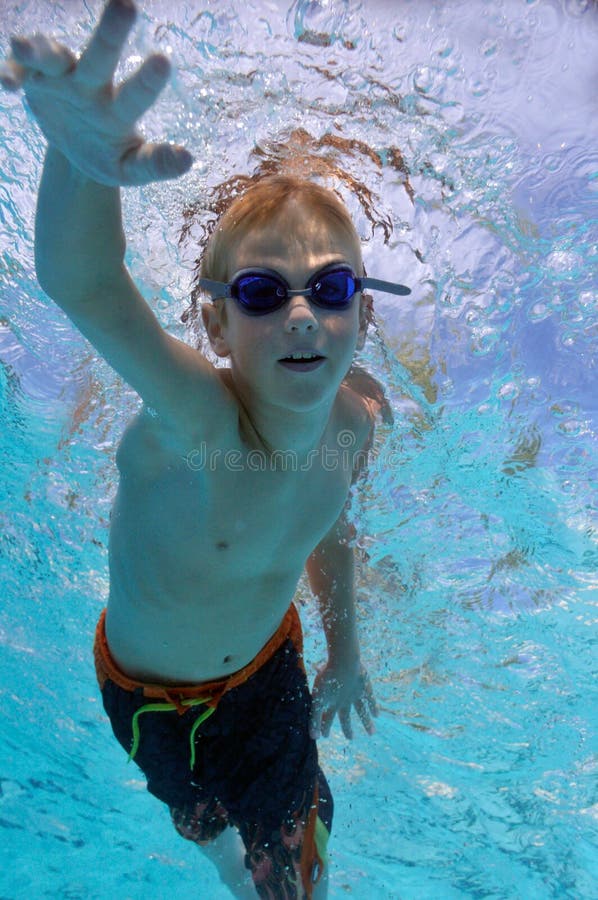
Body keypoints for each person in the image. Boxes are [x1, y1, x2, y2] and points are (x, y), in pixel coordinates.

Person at [1, 2, 410, 897]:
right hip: (146, 702)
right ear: (217, 323)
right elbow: (87, 284)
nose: (302, 313)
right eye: (264, 292)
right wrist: (80, 166)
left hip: (270, 676)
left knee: (296, 875)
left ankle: (261, 869)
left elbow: (327, 533)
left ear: (362, 313)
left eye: (330, 287)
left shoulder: (353, 428)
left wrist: (346, 650)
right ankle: (222, 849)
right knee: (202, 824)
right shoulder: (199, 421)